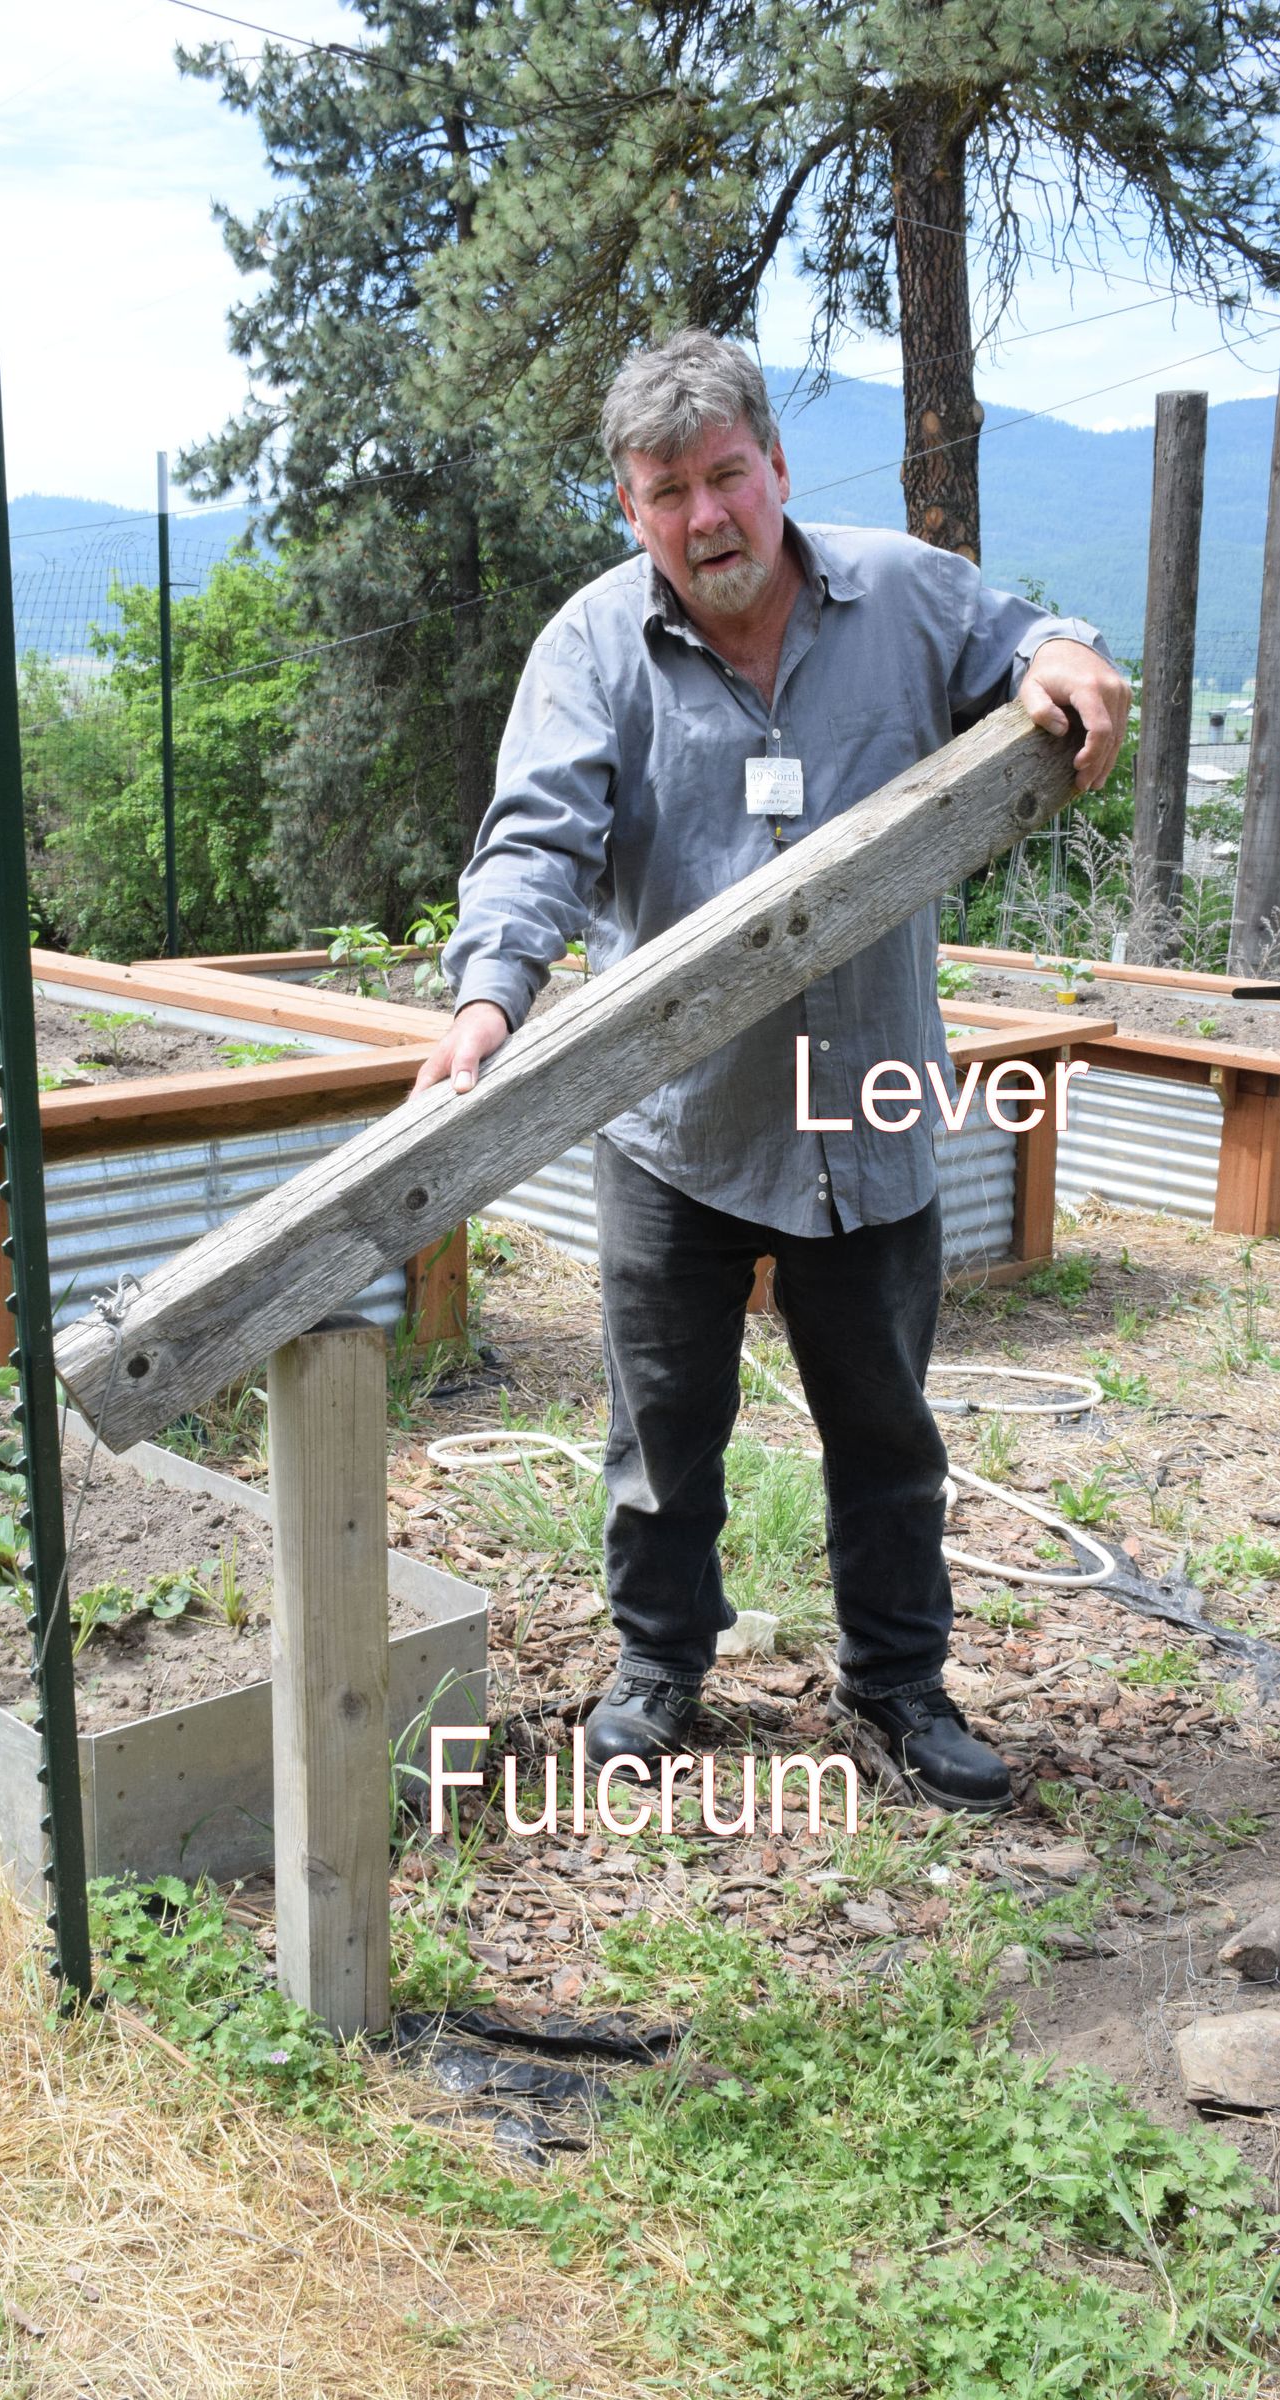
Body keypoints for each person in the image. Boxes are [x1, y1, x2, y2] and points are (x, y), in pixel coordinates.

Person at [413, 329, 1129, 1813]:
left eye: (726, 475)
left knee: (887, 1430)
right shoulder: (592, 648)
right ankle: (659, 1665)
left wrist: (1061, 654)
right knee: (661, 1434)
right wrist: (489, 998)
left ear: (777, 468)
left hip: (867, 1103)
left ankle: (900, 1687)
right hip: (675, 1118)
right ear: (630, 507)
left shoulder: (902, 593)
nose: (706, 517)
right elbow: (536, 841)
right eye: (667, 491)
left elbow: (1024, 640)